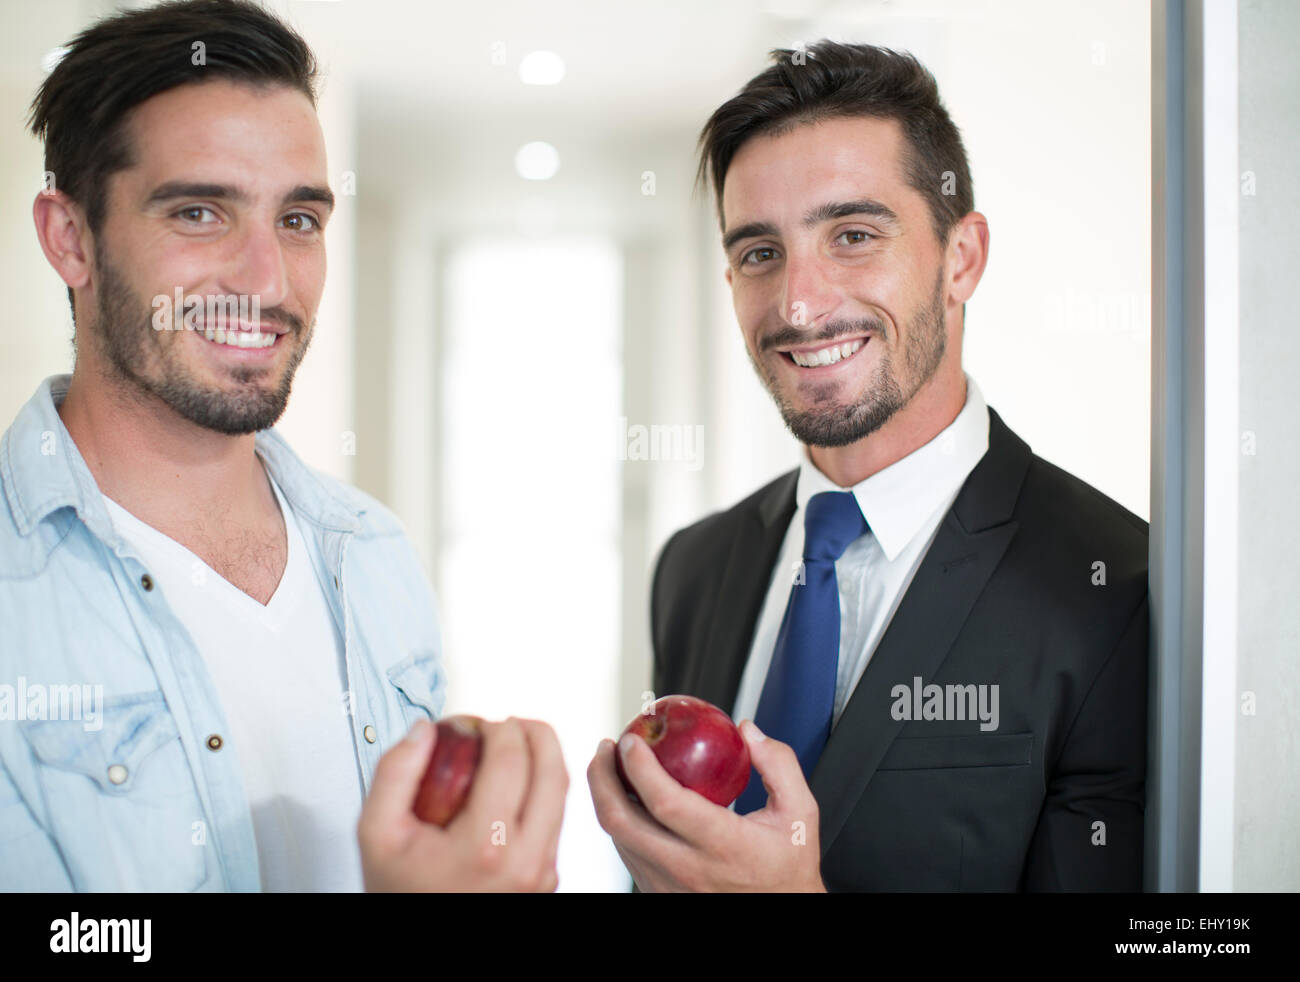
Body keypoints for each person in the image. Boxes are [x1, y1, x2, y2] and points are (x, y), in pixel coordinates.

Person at [0, 0, 565, 892]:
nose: (267, 280)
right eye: (198, 213)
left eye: (298, 220)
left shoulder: (374, 553)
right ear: (70, 238)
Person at [588, 41, 1148, 892]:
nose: (798, 304)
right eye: (759, 252)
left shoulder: (1115, 587)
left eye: (852, 235)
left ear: (961, 258)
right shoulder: (693, 567)